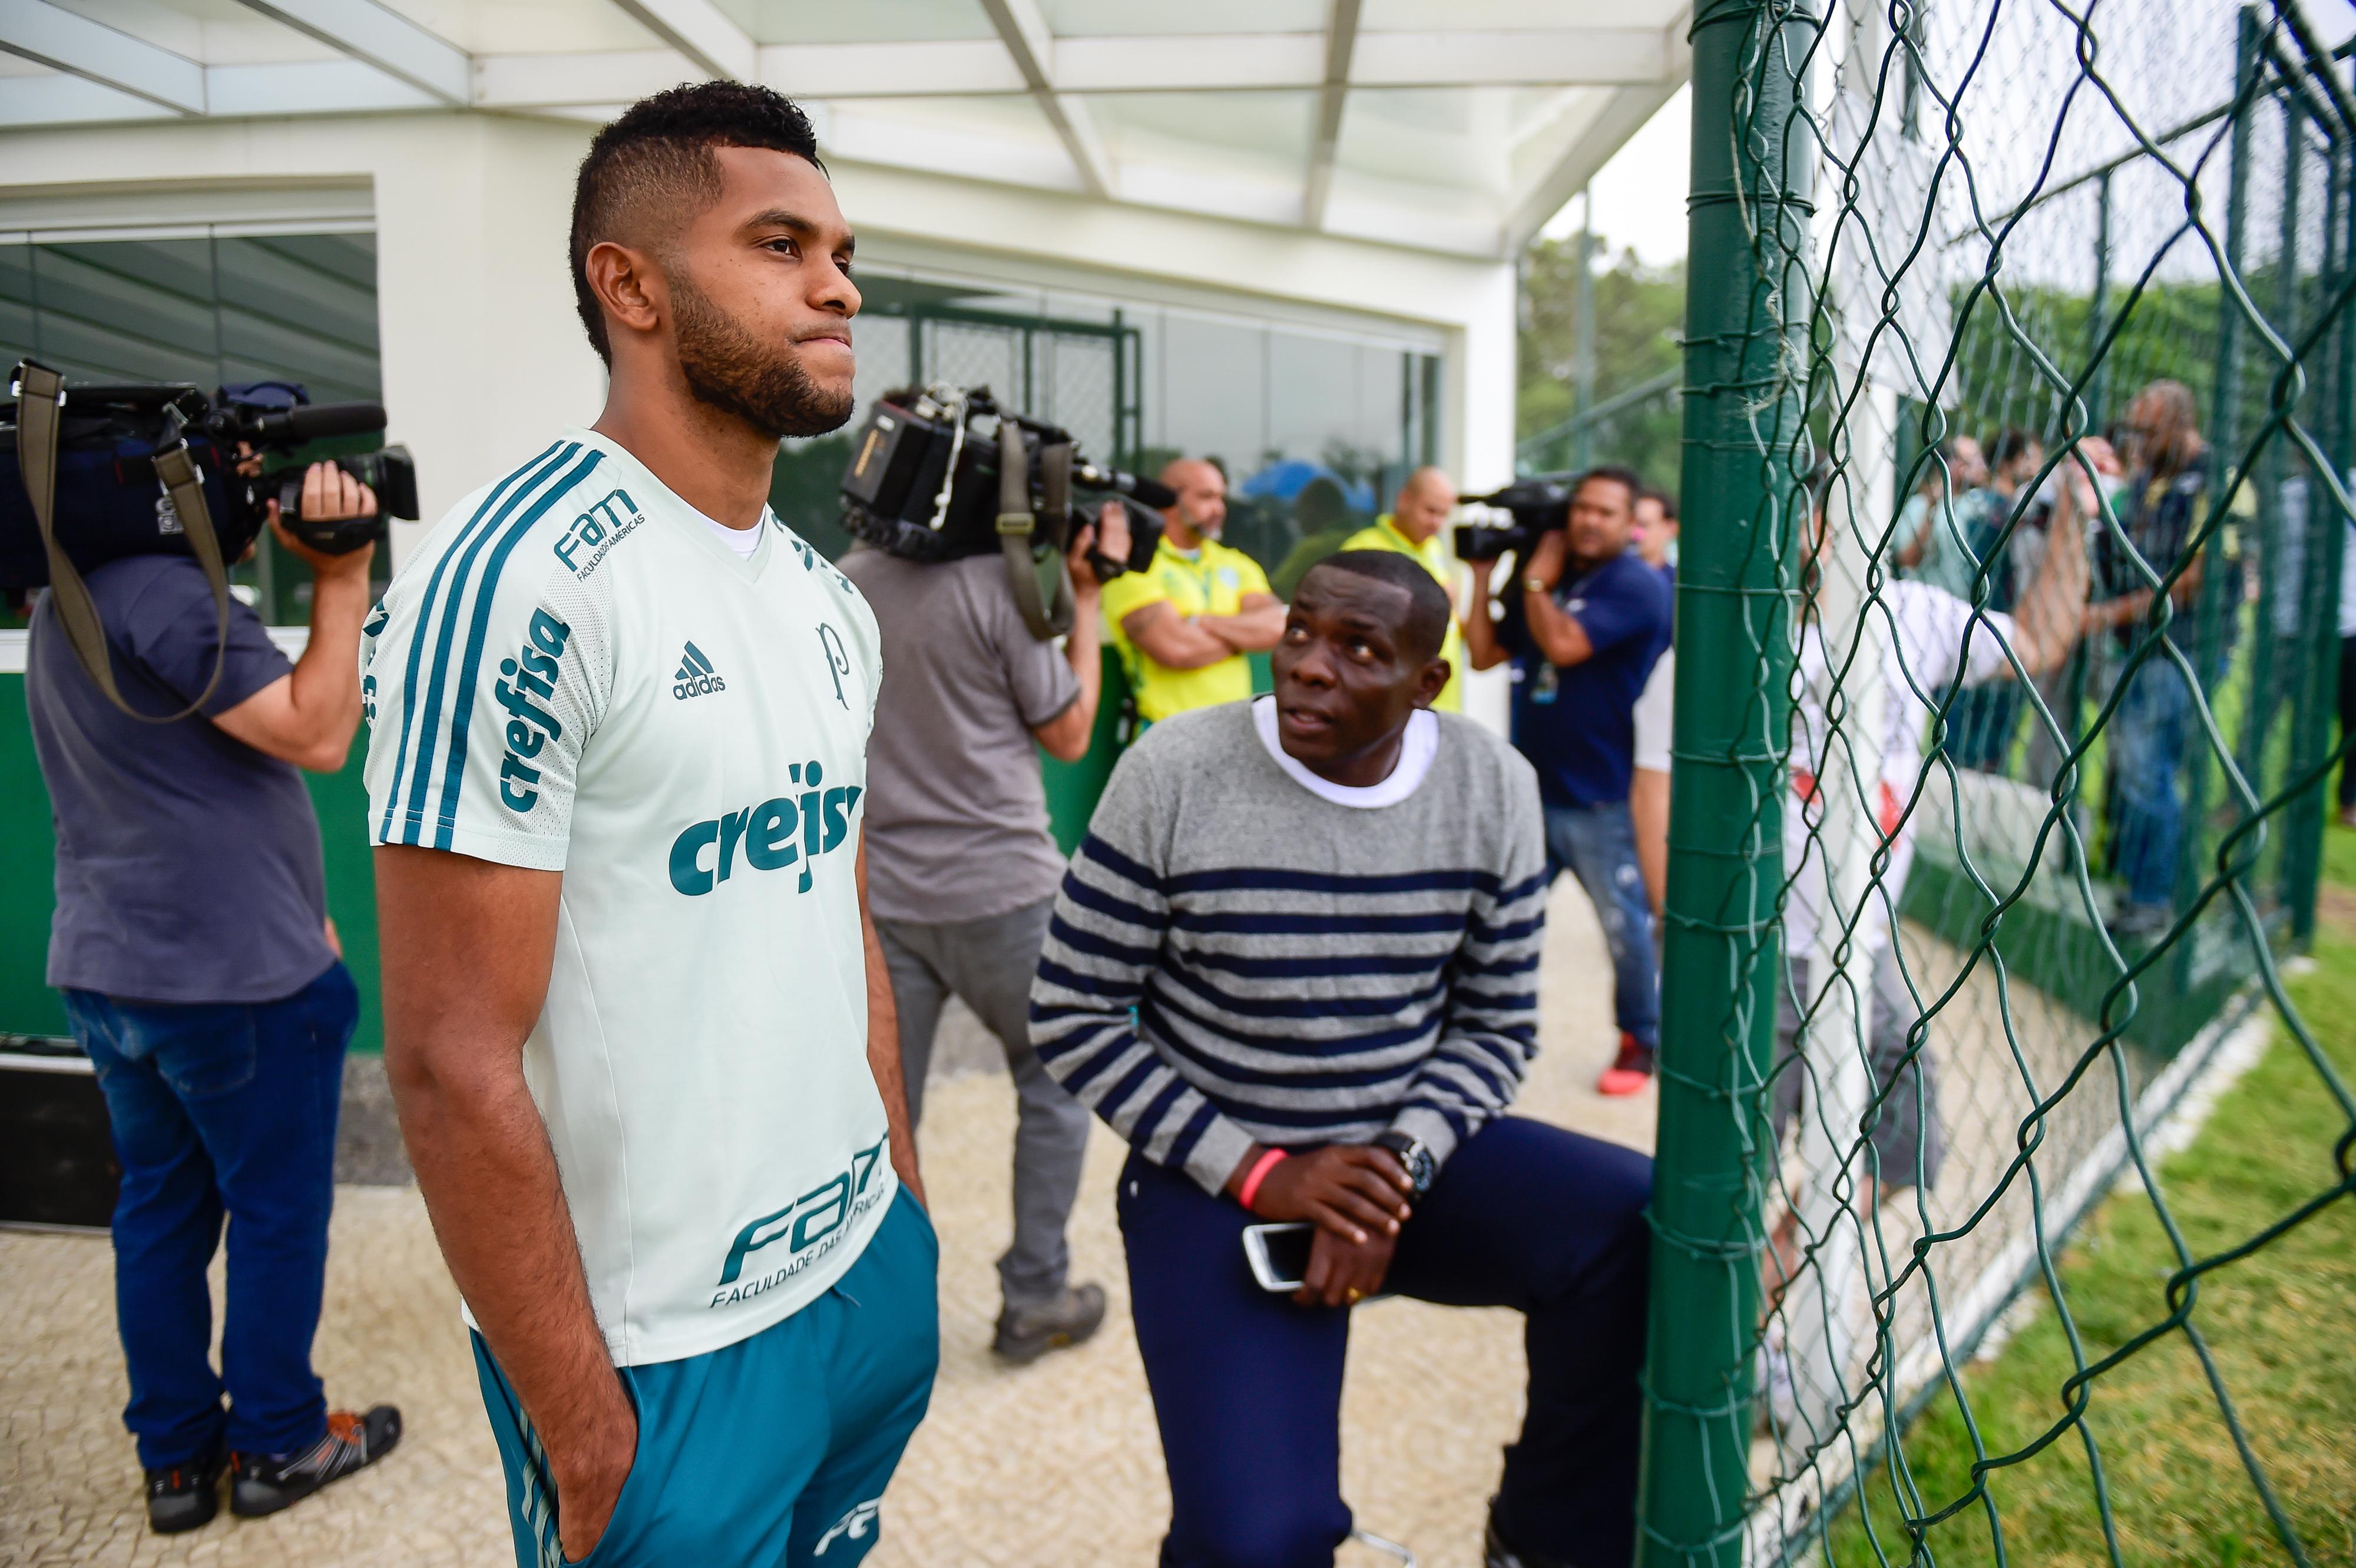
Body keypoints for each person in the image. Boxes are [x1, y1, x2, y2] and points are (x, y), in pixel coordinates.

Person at [368, 84, 935, 1568]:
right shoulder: (518, 583)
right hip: (665, 1346)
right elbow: (445, 1056)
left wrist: (907, 1207)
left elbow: (841, 913)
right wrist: (581, 1422)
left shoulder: (822, 595)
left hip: (864, 1273)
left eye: (841, 249)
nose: (838, 285)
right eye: (779, 243)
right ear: (629, 285)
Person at [1030, 550, 1652, 1568]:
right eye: (1302, 632)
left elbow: (1497, 1026)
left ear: (1427, 684)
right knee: (1256, 1541)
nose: (1311, 665)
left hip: (1408, 1162)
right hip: (1219, 1176)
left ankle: (1545, 1542)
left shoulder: (1492, 783)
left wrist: (1392, 1176)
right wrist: (1265, 1171)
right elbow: (1074, 1012)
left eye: (1360, 649)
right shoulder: (1176, 771)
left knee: (1638, 1222)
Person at [25, 458, 399, 1533]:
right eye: (239, 473)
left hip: (110, 971)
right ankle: (281, 1440)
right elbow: (318, 731)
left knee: (158, 1212)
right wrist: (345, 573)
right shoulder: (169, 596)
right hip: (235, 986)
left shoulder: (65, 594)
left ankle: (179, 1463)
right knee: (276, 1216)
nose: (257, 496)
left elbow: (177, 784)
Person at [841, 488, 1126, 1364]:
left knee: (886, 1109)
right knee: (1055, 1082)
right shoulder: (999, 588)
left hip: (886, 892)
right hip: (1006, 891)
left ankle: (881, 1315)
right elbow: (1072, 732)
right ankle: (1036, 1296)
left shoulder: (846, 583)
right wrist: (1086, 596)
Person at [1462, 464, 1671, 1097]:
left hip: (1602, 795)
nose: (1587, 520)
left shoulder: (1634, 585)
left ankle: (1640, 1040)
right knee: (1495, 917)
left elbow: (1565, 646)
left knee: (1624, 929)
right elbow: (1481, 652)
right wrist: (1480, 575)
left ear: (1629, 522)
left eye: (1605, 511)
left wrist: (1532, 579)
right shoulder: (1546, 579)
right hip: (1532, 788)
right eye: (1580, 507)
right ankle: (1472, 1029)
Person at [2088, 381, 2210, 937]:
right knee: (2135, 770)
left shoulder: (2213, 479)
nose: (2136, 440)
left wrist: (2109, 613)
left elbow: (2191, 581)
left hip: (2179, 651)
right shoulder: (2144, 483)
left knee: (2149, 772)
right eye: (2132, 428)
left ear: (2180, 425)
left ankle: (2153, 897)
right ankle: (2138, 882)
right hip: (2134, 647)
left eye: (2147, 430)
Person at [1101, 456, 1285, 726]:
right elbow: (1176, 648)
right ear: (1170, 501)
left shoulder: (1235, 562)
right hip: (1166, 735)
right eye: (1206, 497)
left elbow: (1278, 625)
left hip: (1234, 733)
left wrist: (1201, 622)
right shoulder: (1136, 565)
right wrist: (1244, 636)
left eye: (1221, 498)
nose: (1219, 509)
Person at [1945, 428, 2044, 770]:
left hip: (1966, 621)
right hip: (2001, 622)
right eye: (2030, 456)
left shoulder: (1967, 504)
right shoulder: (2009, 514)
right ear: (2012, 462)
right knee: (1990, 731)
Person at [1344, 465, 1468, 710]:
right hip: (1395, 706)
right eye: (1431, 511)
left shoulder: (1433, 548)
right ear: (1404, 500)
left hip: (1443, 703)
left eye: (1444, 515)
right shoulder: (1365, 549)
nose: (1437, 524)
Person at [1895, 434, 1988, 597]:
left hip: (1968, 605)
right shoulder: (1920, 505)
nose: (1981, 466)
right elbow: (1906, 560)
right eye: (1972, 459)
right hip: (1928, 598)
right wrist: (1932, 511)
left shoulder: (1979, 506)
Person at [1632, 486, 1678, 585]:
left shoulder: (1677, 584)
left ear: (1670, 529)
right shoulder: (1609, 576)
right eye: (1630, 524)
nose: (1635, 534)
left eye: (1644, 525)